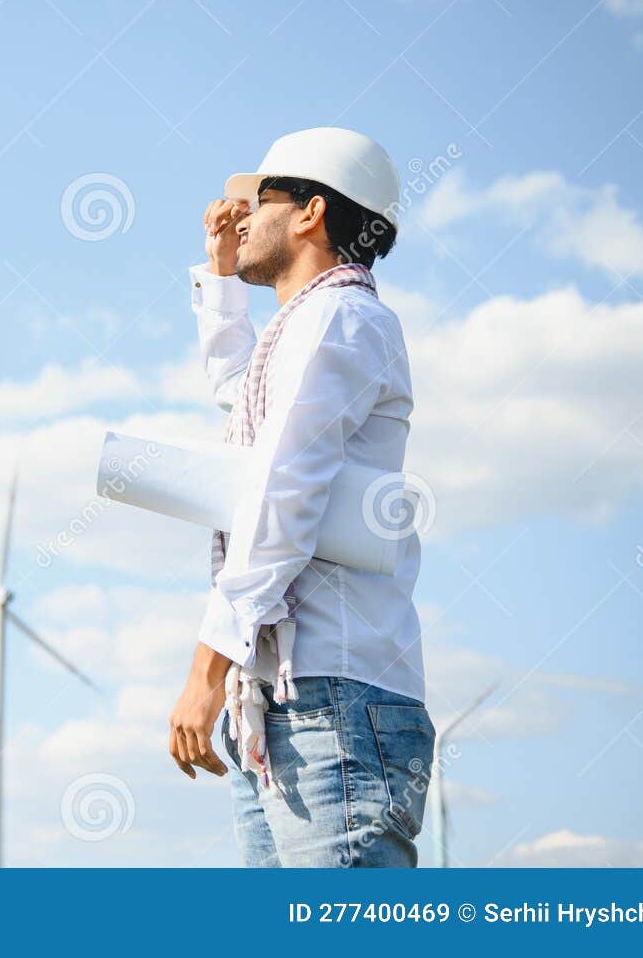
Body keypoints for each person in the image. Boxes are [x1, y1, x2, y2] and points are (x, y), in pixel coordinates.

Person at [165, 126, 434, 868]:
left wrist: (204, 670)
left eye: (260, 200)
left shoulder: (338, 318)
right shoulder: (312, 323)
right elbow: (245, 395)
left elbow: (278, 493)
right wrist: (221, 275)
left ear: (311, 213)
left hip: (335, 707)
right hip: (295, 706)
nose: (238, 215)